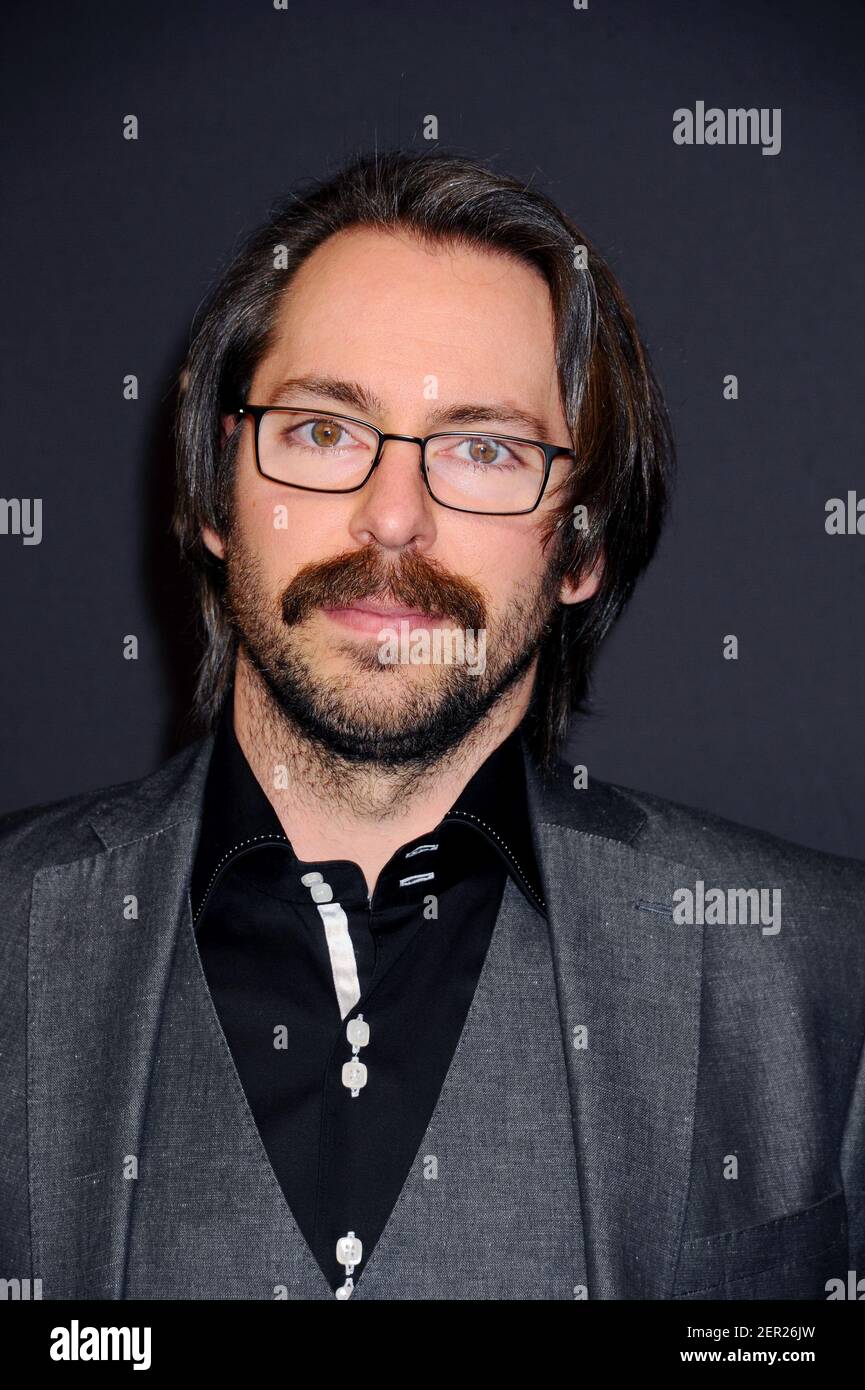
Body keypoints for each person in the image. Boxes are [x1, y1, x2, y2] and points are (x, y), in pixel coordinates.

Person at [1, 150, 862, 1301]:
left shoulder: (816, 967)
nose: (391, 516)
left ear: (582, 548)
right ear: (217, 490)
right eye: (319, 429)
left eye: (483, 449)